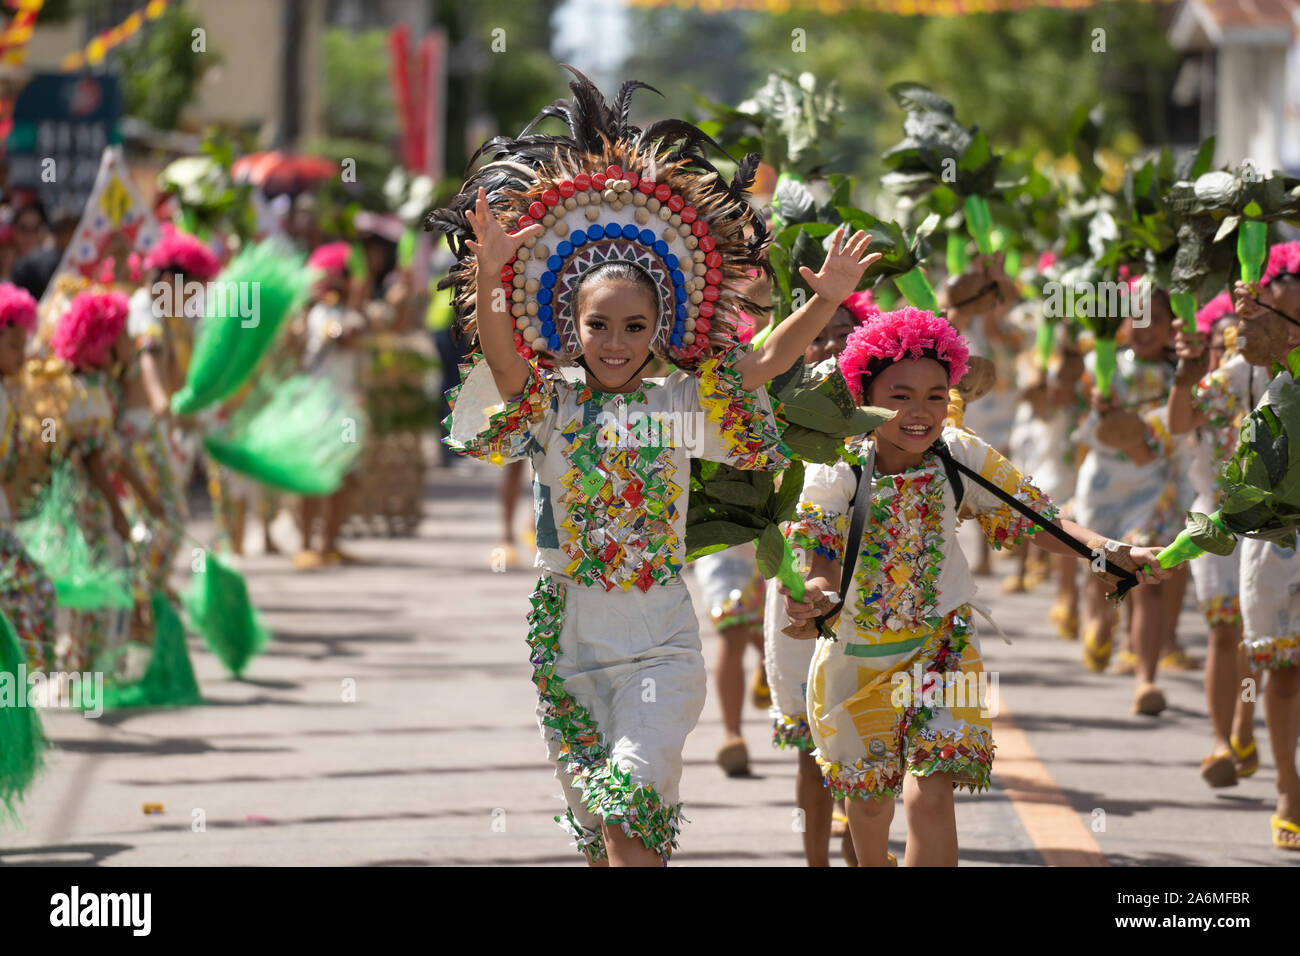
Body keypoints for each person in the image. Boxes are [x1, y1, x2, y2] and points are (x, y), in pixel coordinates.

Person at [434, 71, 880, 866]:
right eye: (599, 325)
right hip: (566, 649)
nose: (615, 343)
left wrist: (825, 302)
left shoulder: (681, 403)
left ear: (660, 325)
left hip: (660, 648)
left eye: (634, 326)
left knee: (630, 812)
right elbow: (502, 363)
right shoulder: (554, 407)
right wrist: (491, 275)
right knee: (607, 837)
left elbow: (761, 361)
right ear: (569, 324)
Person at [782, 305, 1168, 866]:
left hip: (942, 650)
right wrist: (814, 587)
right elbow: (812, 545)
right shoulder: (836, 464)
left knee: (933, 794)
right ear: (863, 392)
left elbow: (1039, 519)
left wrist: (1112, 553)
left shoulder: (959, 454)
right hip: (853, 660)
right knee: (867, 809)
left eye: (936, 396)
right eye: (901, 396)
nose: (921, 412)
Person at [764, 289, 877, 865]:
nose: (830, 344)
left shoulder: (893, 414)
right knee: (812, 744)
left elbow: (969, 379)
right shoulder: (771, 408)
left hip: (876, 595)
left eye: (844, 332)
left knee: (865, 748)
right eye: (818, 333)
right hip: (796, 587)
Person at [1071, 285, 1186, 714]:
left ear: (1172, 326)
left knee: (1149, 579)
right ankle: (1099, 619)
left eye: (1157, 318)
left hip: (1154, 484)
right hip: (1104, 481)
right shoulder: (1102, 366)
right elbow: (1086, 418)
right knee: (1100, 564)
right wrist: (1100, 403)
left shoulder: (1182, 375)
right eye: (1137, 316)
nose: (1146, 326)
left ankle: (1147, 680)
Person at [1167, 292, 1261, 788]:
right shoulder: (1214, 386)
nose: (1231, 353)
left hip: (1274, 522)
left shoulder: (1277, 380)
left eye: (1240, 339)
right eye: (1223, 344)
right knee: (1226, 633)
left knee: (1259, 640)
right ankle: (1224, 740)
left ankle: (1246, 721)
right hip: (1217, 520)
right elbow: (1179, 423)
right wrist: (1185, 376)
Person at [294, 241, 368, 568]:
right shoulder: (322, 315)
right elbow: (342, 336)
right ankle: (307, 544)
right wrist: (354, 305)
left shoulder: (345, 314)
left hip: (345, 408)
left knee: (346, 477)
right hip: (321, 407)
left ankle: (329, 543)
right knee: (313, 476)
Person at [0, 283, 56, 672]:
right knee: (31, 590)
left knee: (29, 593)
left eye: (25, 344)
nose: (23, 354)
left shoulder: (10, 393)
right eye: (13, 346)